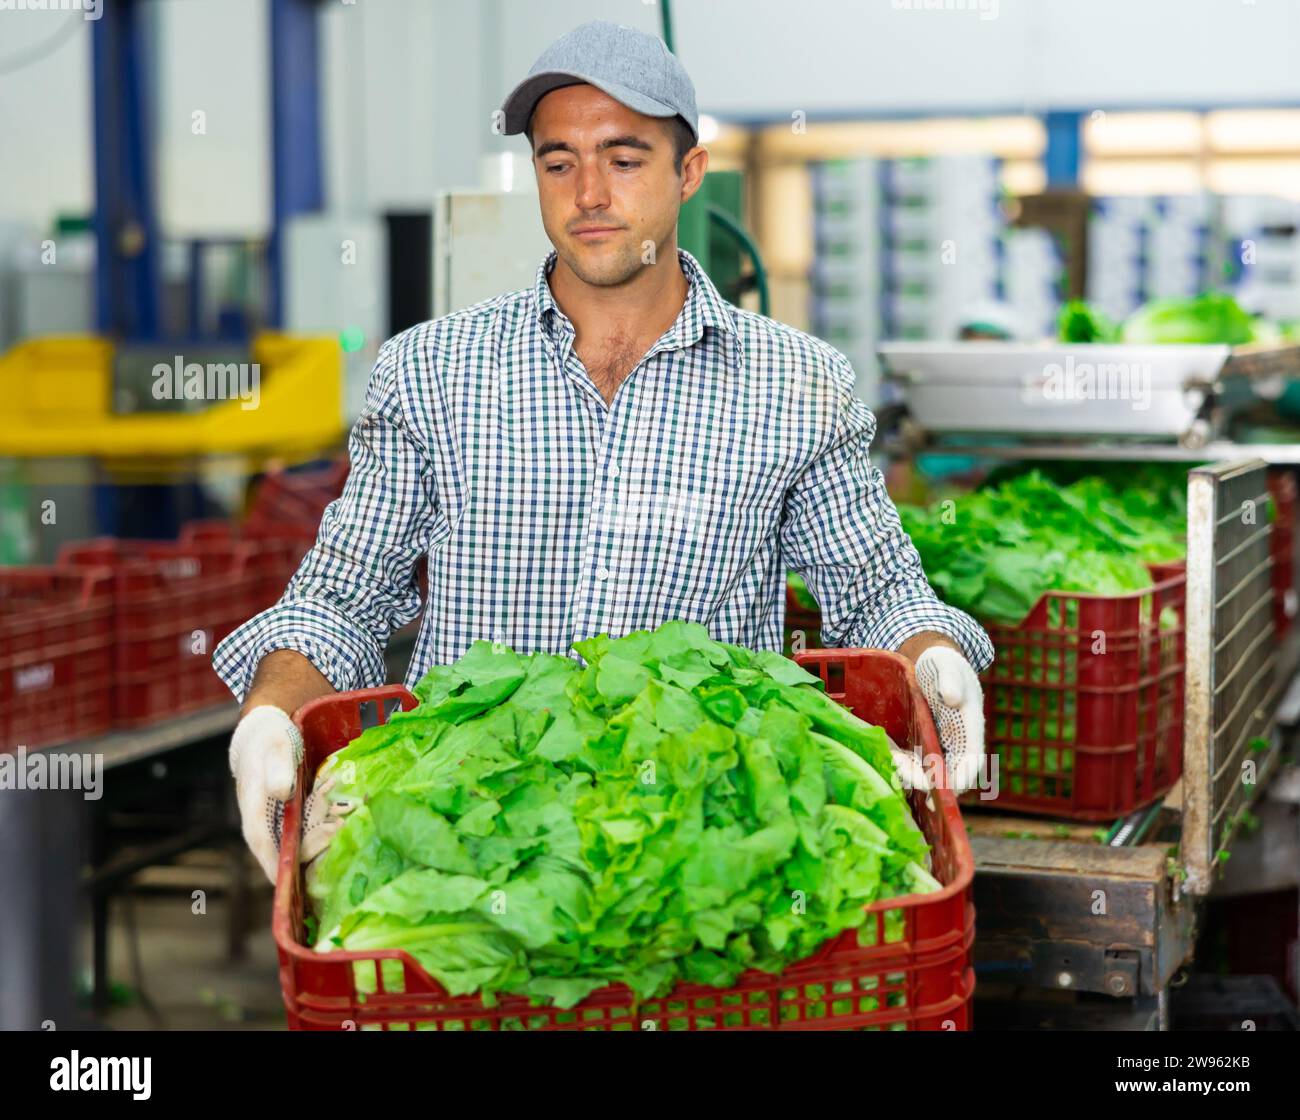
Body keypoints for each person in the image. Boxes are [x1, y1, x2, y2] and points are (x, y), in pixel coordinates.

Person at [216, 20, 995, 882]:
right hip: (465, 848)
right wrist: (272, 713)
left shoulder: (795, 383)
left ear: (688, 174)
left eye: (623, 159)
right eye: (559, 162)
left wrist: (934, 656)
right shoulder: (431, 371)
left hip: (696, 853)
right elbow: (340, 598)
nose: (588, 192)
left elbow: (876, 591)